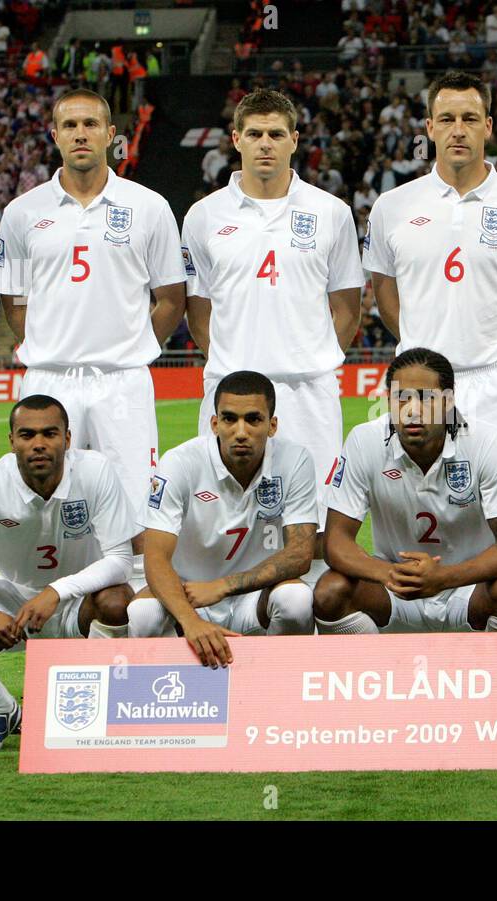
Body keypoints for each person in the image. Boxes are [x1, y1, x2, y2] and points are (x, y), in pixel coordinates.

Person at [364, 71, 497, 593]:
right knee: (414, 500)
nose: (458, 129)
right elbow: (383, 287)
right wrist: (420, 353)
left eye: (470, 118)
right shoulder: (392, 206)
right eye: (446, 118)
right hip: (419, 389)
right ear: (429, 127)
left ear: (488, 126)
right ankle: (413, 609)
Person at [0, 88, 187, 595]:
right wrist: (51, 345)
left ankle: (136, 616)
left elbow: (171, 298)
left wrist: (130, 348)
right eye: (70, 125)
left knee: (136, 508)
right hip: (49, 380)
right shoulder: (21, 213)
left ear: (110, 134)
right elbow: (13, 301)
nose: (80, 133)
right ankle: (42, 612)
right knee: (42, 506)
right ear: (54, 135)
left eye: (90, 124)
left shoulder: (148, 207)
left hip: (121, 381)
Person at [181, 88, 361, 586]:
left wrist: (314, 357)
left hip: (309, 391)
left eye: (276, 134)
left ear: (294, 140)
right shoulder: (204, 216)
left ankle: (312, 615)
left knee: (317, 523)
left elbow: (347, 306)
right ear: (236, 139)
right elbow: (198, 309)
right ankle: (230, 613)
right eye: (255, 133)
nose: (266, 143)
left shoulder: (330, 212)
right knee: (223, 518)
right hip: (230, 393)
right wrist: (233, 371)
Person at [0, 396, 138, 752]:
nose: (38, 444)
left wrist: (57, 591)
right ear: (11, 441)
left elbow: (120, 559)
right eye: (27, 434)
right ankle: (2, 709)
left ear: (68, 438)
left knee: (118, 601)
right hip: (14, 604)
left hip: (78, 603)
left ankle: (88, 706)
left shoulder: (95, 472)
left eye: (50, 433)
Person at [315, 348, 497, 633]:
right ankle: (372, 662)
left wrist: (443, 577)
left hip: (468, 588)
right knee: (330, 591)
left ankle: (494, 663)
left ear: (448, 401)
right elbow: (336, 542)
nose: (412, 410)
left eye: (425, 398)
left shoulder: (488, 442)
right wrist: (391, 573)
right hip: (395, 588)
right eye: (401, 397)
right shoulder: (364, 440)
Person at [129, 371, 317, 667]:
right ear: (215, 423)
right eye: (230, 419)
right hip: (191, 596)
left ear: (272, 426)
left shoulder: (295, 461)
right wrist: (190, 621)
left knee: (296, 599)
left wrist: (223, 585)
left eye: (253, 420)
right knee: (143, 614)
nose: (240, 431)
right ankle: (172, 687)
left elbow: (301, 553)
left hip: (255, 599)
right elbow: (155, 557)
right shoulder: (180, 462)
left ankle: (279, 682)